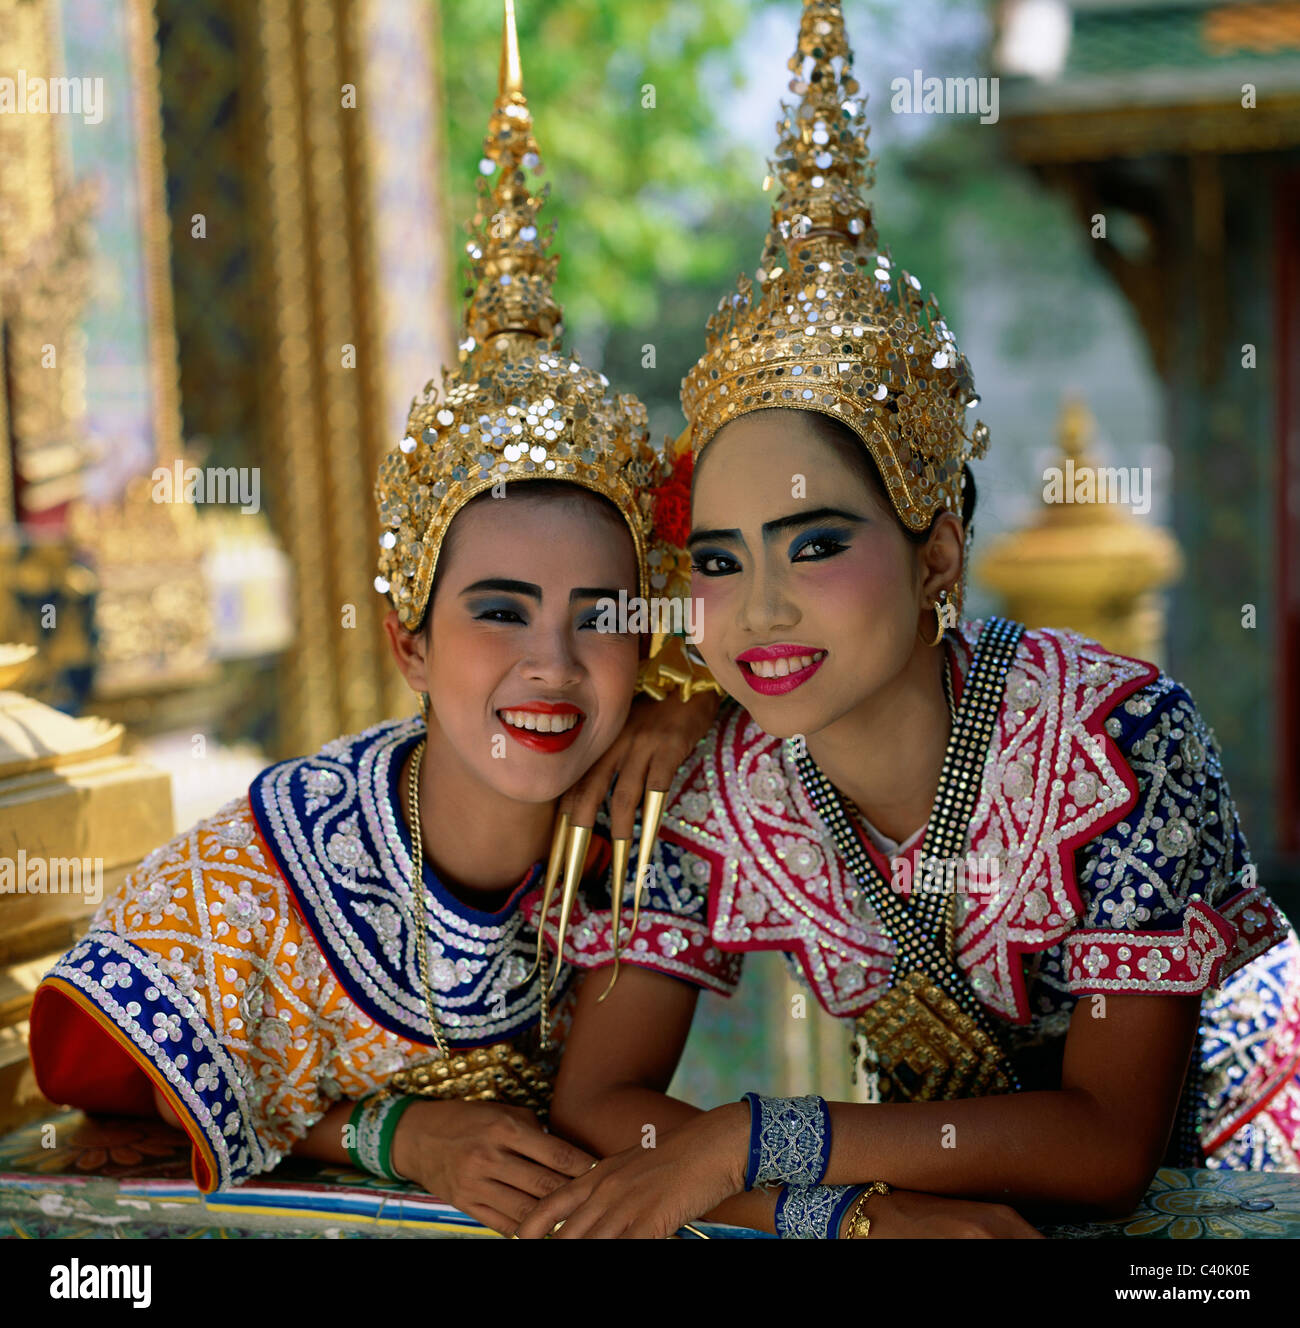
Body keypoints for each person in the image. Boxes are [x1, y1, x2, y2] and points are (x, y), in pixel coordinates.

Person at [516, 0, 1299, 1240]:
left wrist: (750, 1141)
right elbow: (600, 1097)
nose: (759, 608)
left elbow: (1106, 1144)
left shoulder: (1116, 736)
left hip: (1240, 1180)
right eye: (719, 560)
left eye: (815, 544)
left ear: (937, 549)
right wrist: (844, 1216)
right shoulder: (712, 776)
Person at [26, 0, 728, 1239]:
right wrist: (387, 1128)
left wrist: (708, 698)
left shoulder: (661, 810)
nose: (550, 667)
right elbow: (100, 1071)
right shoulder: (270, 865)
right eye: (497, 612)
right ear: (405, 639)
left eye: (599, 617)